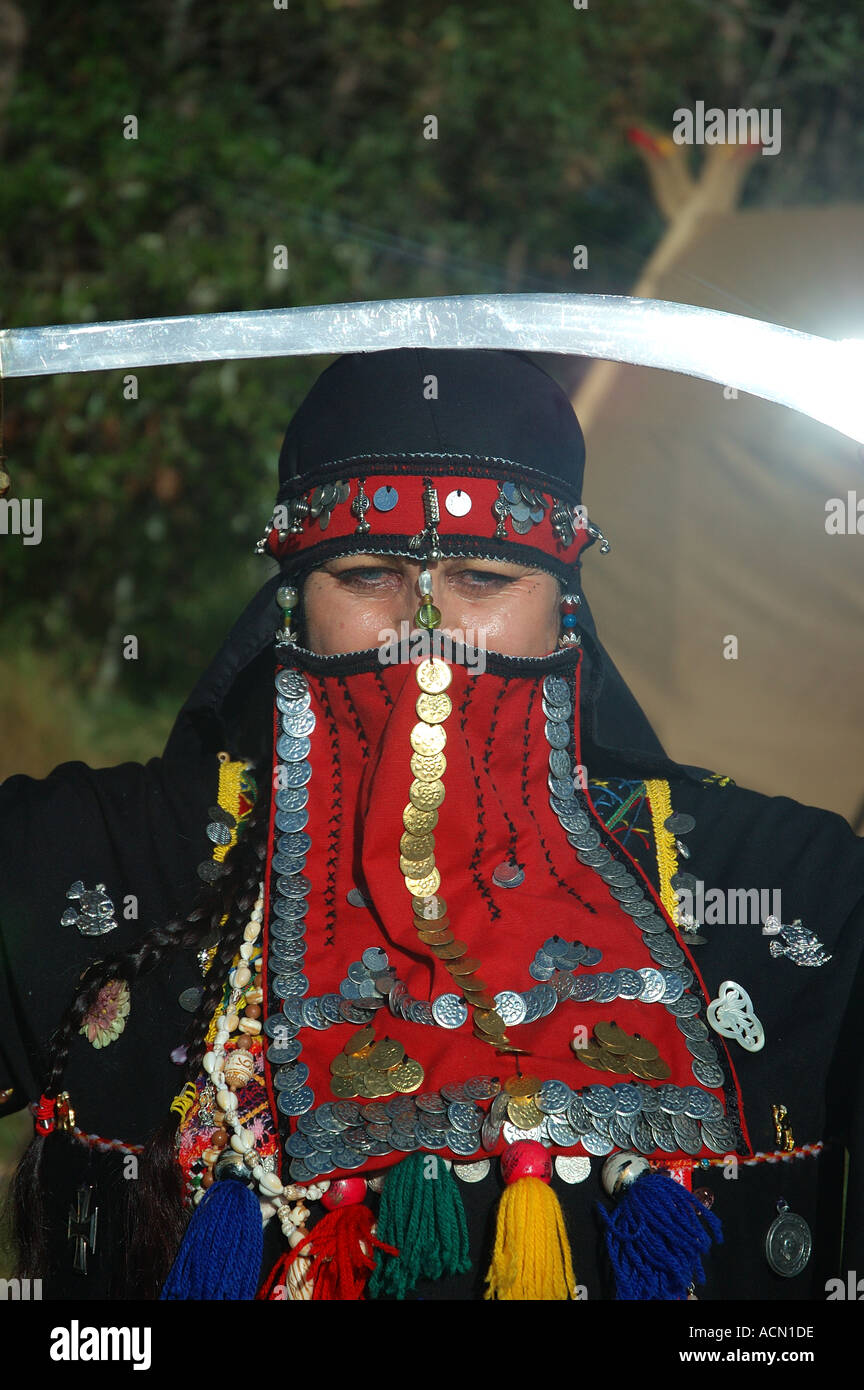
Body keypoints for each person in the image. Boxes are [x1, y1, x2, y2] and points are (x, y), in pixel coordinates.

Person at [1, 346, 862, 1302]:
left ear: (563, 605)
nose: (424, 629)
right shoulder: (117, 853)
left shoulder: (794, 890)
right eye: (367, 574)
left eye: (484, 578)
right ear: (292, 600)